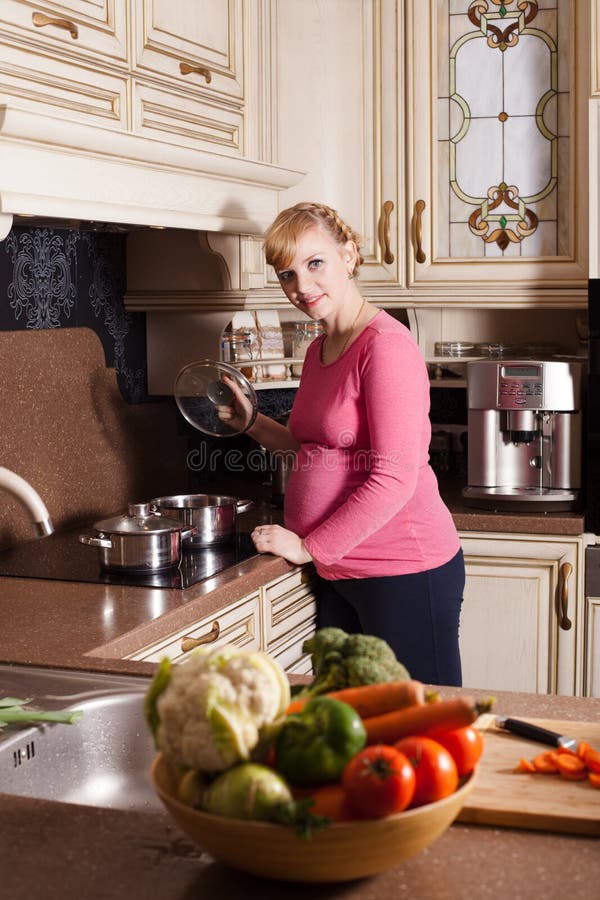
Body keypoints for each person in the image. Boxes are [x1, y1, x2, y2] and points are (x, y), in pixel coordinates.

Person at [218, 201, 465, 686]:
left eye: (315, 264)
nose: (301, 288)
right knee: (353, 732)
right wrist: (251, 422)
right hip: (342, 573)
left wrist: (309, 547)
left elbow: (394, 477)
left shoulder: (386, 347)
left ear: (348, 256)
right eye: (287, 275)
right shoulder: (320, 348)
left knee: (423, 728)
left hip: (403, 572)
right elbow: (313, 447)